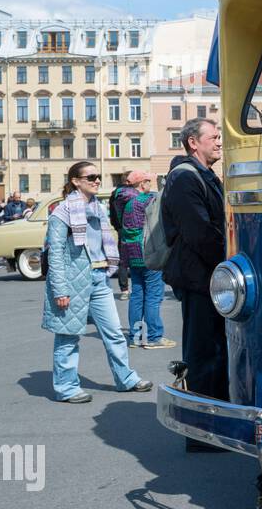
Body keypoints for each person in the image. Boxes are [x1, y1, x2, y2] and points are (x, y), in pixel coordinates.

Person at [42, 161, 152, 403]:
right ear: (75, 181)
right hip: (72, 281)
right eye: (90, 177)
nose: (96, 180)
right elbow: (56, 253)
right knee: (68, 335)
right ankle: (66, 388)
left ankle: (126, 379)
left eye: (98, 176)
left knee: (114, 332)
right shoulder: (62, 212)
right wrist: (60, 289)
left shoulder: (98, 208)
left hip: (99, 278)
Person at [162, 118, 228, 402]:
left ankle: (218, 408)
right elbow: (200, 233)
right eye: (213, 137)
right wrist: (228, 261)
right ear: (193, 142)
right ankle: (204, 427)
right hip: (199, 277)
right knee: (203, 351)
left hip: (208, 277)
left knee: (214, 347)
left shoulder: (204, 175)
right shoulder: (185, 177)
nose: (219, 142)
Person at [116, 170, 174, 349]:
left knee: (137, 295)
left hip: (131, 254)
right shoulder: (146, 200)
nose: (150, 185)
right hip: (148, 251)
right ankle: (155, 337)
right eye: (148, 182)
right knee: (153, 296)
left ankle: (135, 337)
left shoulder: (125, 202)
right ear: (142, 184)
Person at [107, 180, 131, 301]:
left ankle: (124, 290)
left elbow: (112, 216)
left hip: (121, 230)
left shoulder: (114, 195)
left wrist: (118, 227)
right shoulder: (131, 194)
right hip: (133, 229)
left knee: (122, 261)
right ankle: (139, 289)